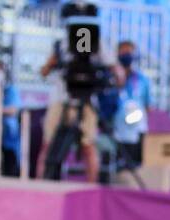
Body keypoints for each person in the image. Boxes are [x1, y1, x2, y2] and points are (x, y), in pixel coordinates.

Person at [37, 47, 100, 182]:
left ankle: (92, 189)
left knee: (88, 146)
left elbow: (114, 73)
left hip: (87, 100)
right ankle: (41, 185)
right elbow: (44, 72)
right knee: (48, 145)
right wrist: (53, 63)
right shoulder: (62, 46)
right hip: (60, 100)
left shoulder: (98, 45)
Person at [108, 40, 153, 169]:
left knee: (135, 165)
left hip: (137, 128)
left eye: (129, 52)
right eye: (123, 51)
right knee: (117, 165)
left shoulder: (142, 79)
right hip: (117, 127)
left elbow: (148, 105)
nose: (126, 54)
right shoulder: (111, 77)